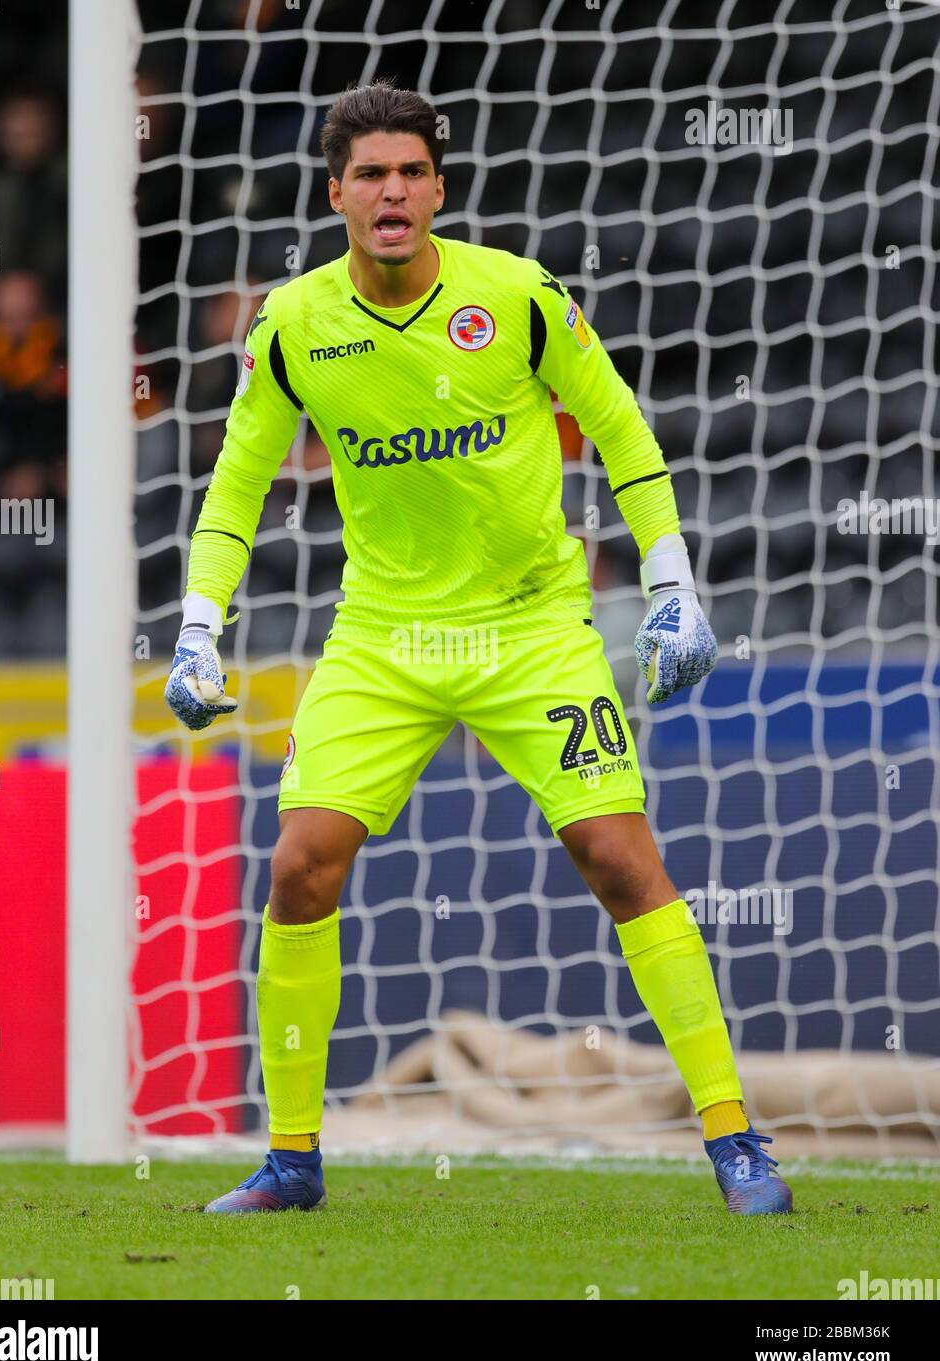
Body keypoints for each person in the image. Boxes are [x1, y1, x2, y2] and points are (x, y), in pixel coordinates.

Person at [165, 80, 791, 1217]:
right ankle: (293, 1158)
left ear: (438, 189)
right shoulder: (294, 324)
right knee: (301, 863)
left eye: (411, 172)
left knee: (619, 856)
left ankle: (735, 1139)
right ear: (337, 194)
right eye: (370, 175)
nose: (392, 191)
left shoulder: (517, 296)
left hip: (531, 626)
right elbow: (236, 488)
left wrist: (669, 583)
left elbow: (621, 431)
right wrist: (200, 624)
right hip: (384, 636)